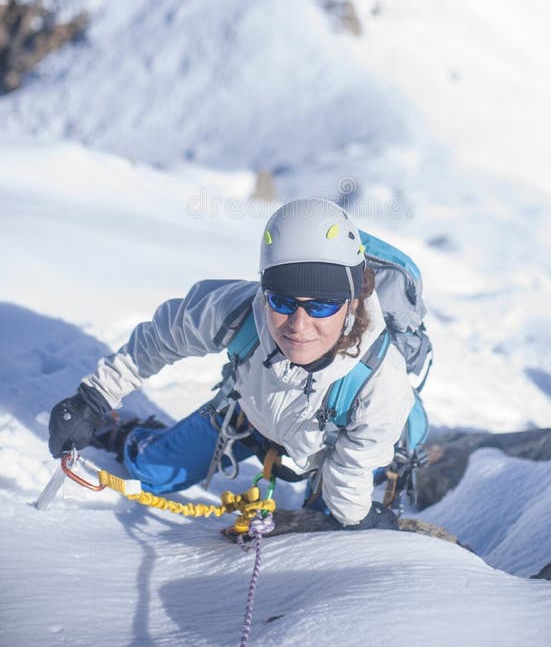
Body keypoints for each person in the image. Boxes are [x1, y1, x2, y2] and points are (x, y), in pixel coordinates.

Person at [48, 198, 415, 529]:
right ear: (265, 292)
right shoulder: (241, 312)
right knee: (149, 472)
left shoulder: (381, 383)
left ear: (353, 301)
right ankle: (132, 436)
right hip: (246, 417)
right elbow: (163, 336)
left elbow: (351, 470)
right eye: (284, 302)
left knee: (324, 528)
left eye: (321, 305)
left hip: (332, 450)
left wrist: (356, 516)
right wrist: (94, 399)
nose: (299, 325)